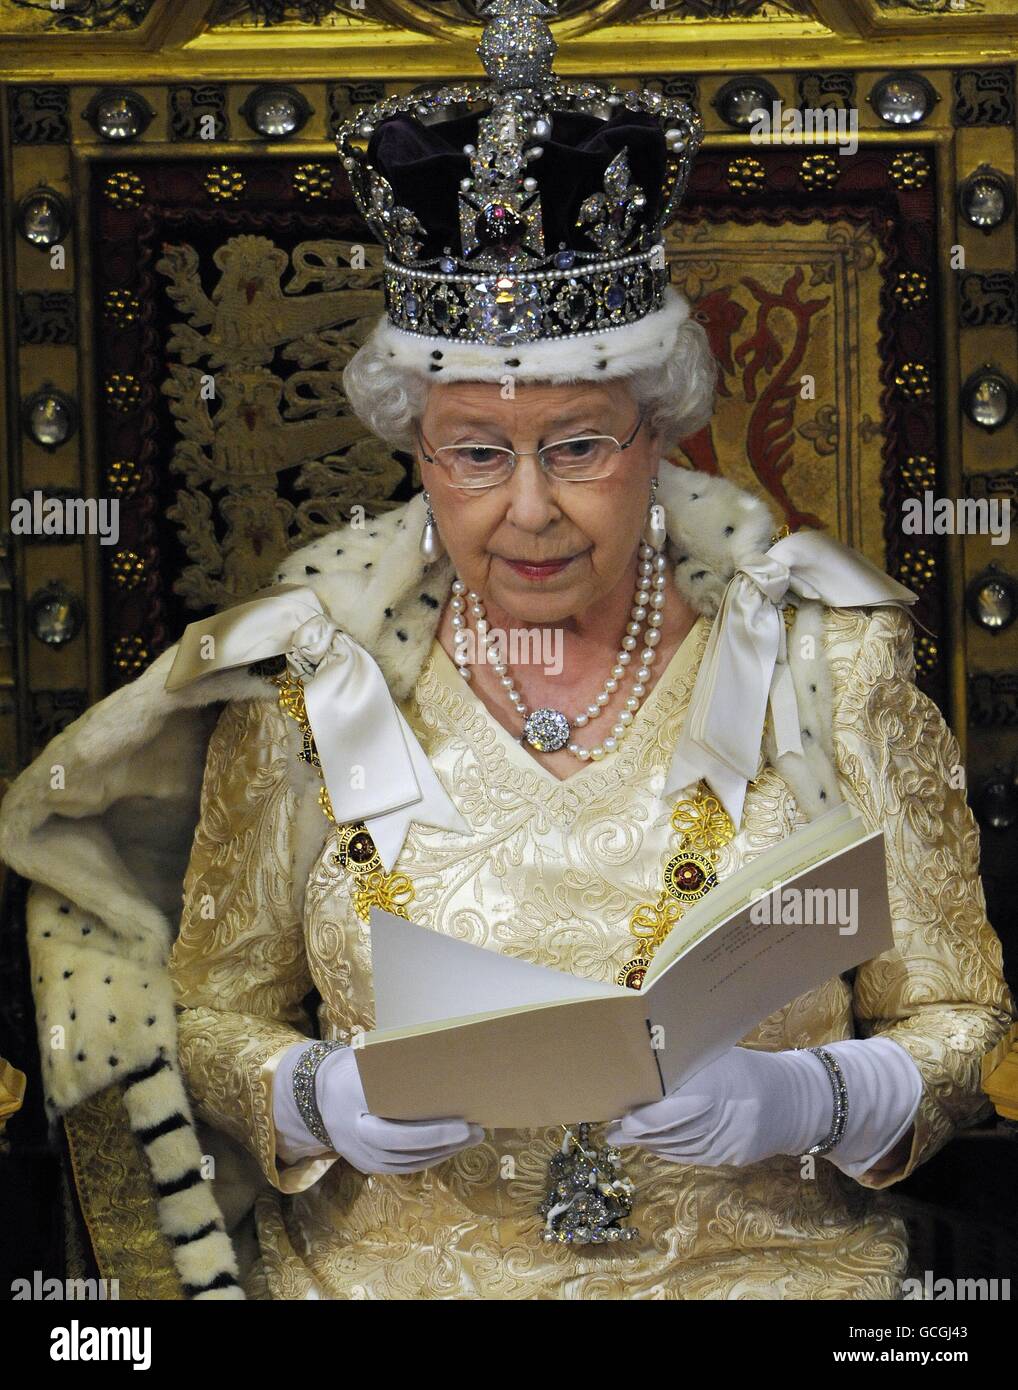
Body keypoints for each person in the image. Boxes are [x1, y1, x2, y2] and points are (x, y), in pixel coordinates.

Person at [1, 0, 1013, 1300]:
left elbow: (964, 1027)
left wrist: (812, 1094)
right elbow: (207, 1018)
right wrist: (310, 1093)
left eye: (579, 443)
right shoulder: (310, 693)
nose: (527, 505)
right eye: (473, 449)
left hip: (772, 1281)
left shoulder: (837, 678)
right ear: (414, 449)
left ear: (661, 432)